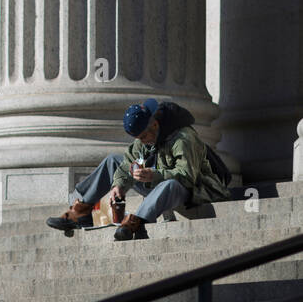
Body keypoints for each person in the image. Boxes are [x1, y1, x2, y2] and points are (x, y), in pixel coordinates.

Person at [46, 98, 231, 241]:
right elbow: (128, 163)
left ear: (155, 125)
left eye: (143, 136)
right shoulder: (146, 137)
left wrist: (154, 175)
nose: (142, 141)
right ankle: (82, 210)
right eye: (139, 138)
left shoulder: (183, 139)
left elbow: (187, 177)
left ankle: (137, 222)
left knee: (171, 184)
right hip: (162, 186)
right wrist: (118, 185)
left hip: (196, 192)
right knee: (114, 161)